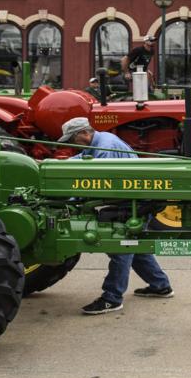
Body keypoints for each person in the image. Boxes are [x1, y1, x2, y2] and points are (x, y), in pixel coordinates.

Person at [57, 117, 174, 315]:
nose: (71, 144)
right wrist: (55, 164)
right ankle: (160, 286)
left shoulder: (105, 147)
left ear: (83, 133)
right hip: (133, 199)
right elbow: (82, 158)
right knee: (135, 247)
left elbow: (98, 185)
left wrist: (71, 199)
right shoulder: (100, 141)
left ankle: (112, 298)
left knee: (121, 247)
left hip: (134, 203)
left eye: (72, 139)